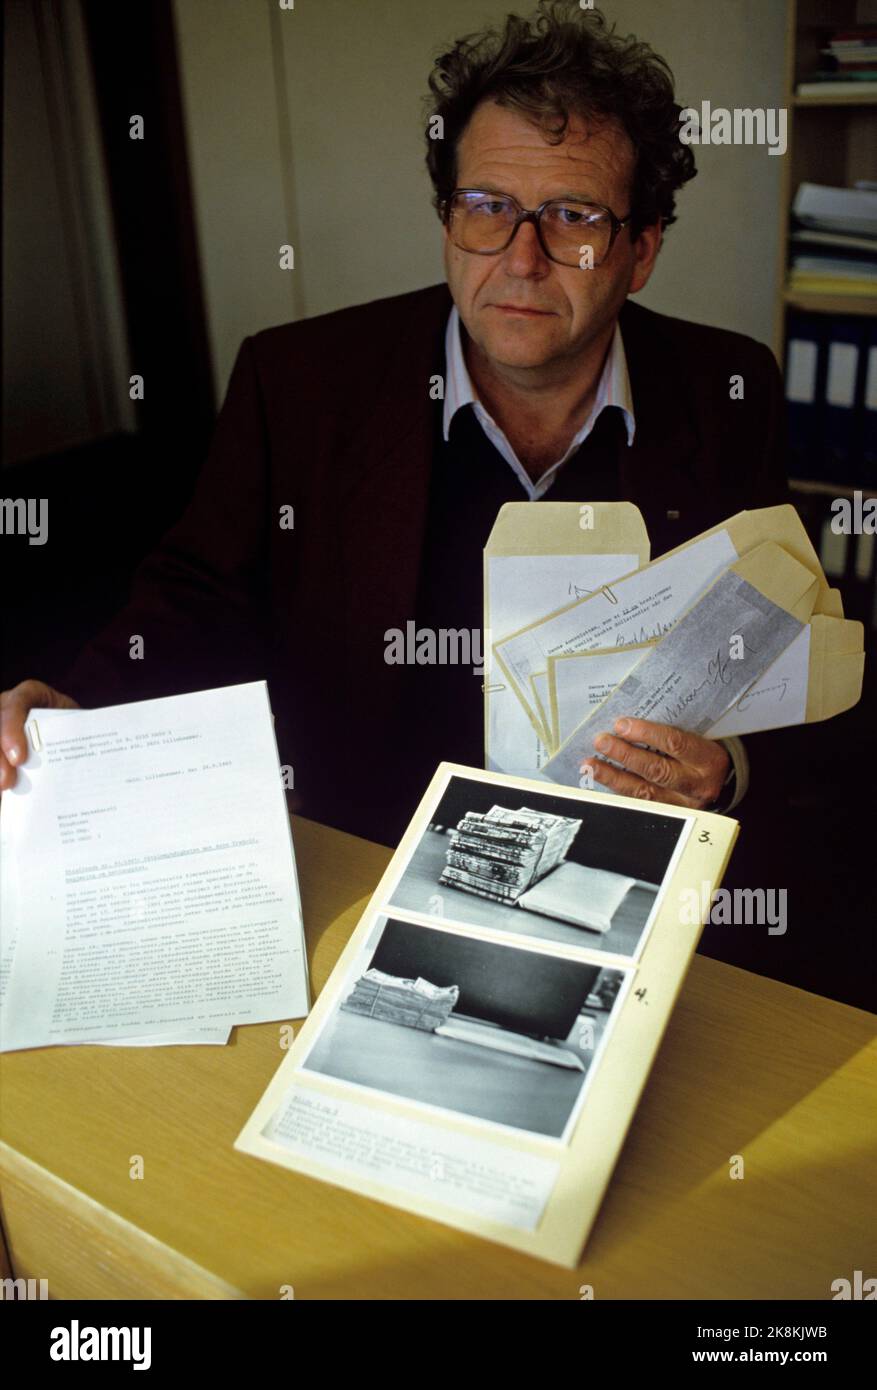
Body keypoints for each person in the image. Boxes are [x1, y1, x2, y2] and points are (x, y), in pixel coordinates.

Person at [1, 1, 786, 850]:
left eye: (573, 217)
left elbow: (777, 643)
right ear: (449, 221)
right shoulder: (299, 380)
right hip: (370, 839)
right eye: (488, 206)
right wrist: (78, 710)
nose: (520, 259)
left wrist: (726, 769)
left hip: (620, 848)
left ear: (641, 252)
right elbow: (198, 596)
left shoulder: (726, 385)